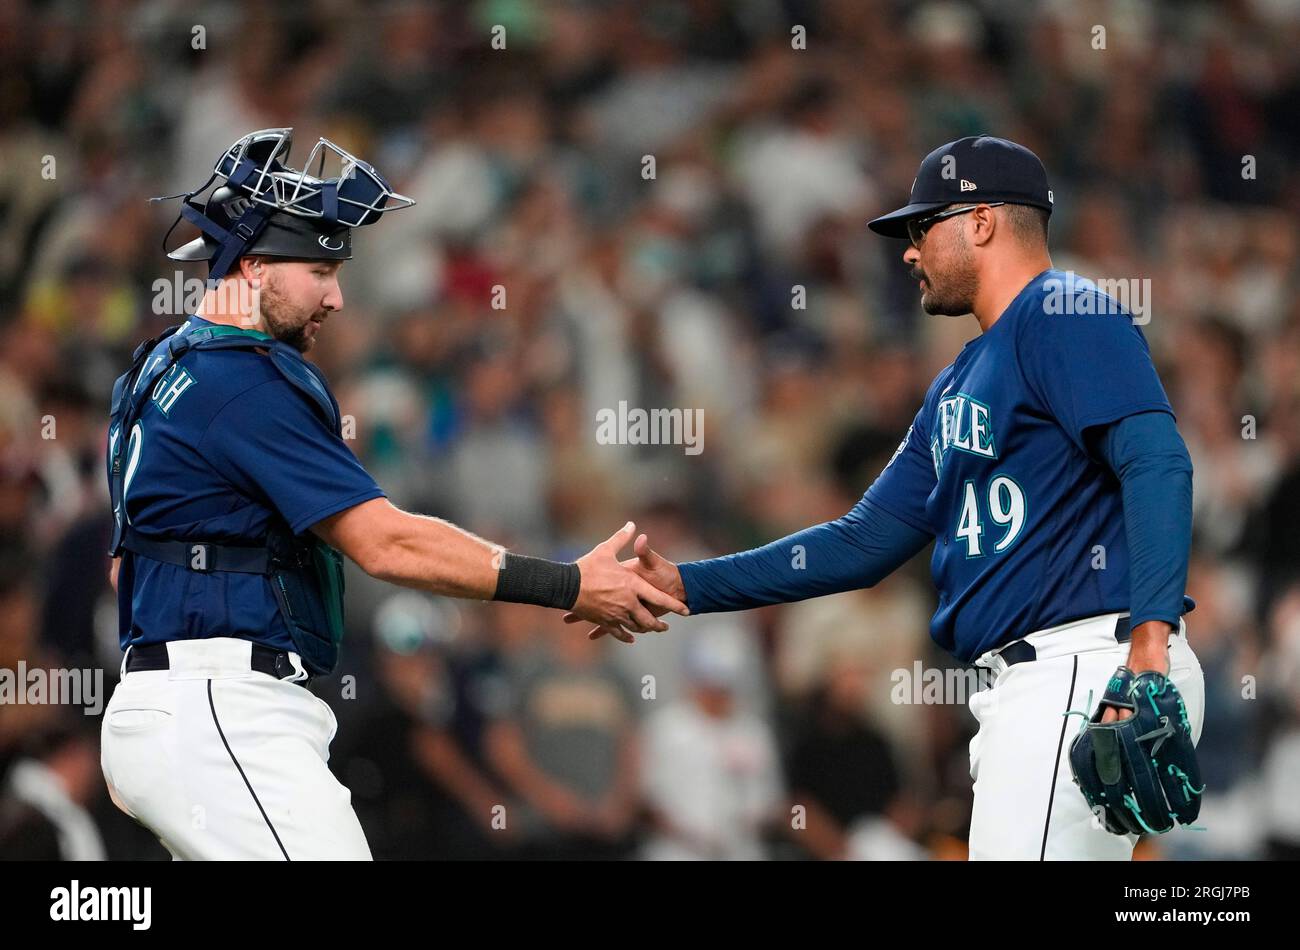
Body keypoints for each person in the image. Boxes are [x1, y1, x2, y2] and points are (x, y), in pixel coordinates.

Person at [581, 136, 1206, 860]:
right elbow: (861, 542)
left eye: (922, 227)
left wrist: (1150, 643)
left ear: (981, 222)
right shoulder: (957, 380)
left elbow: (1158, 462)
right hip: (1041, 679)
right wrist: (689, 584)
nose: (909, 252)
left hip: (1086, 662)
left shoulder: (1062, 309)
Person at [100, 128, 686, 861]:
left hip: (178, 703)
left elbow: (126, 568)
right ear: (253, 266)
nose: (338, 295)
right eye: (319, 270)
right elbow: (386, 542)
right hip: (220, 707)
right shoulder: (244, 380)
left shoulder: (157, 370)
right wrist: (567, 585)